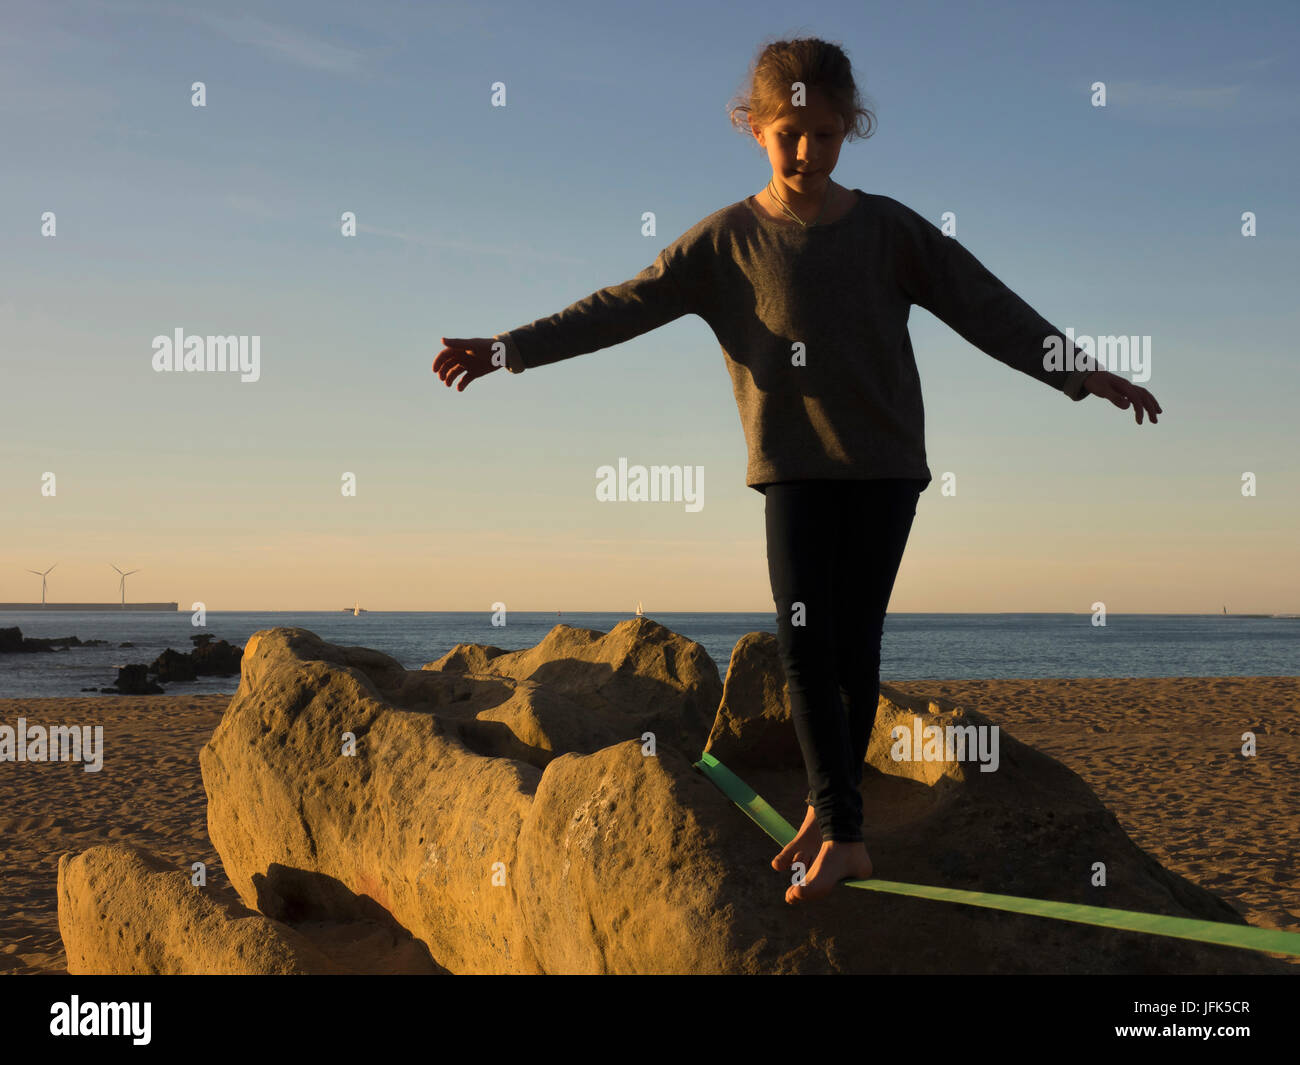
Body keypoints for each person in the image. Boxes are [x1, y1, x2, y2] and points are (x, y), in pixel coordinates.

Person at [432, 37, 1162, 905]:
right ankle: (840, 822)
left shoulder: (889, 229)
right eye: (790, 134)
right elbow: (619, 308)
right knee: (806, 647)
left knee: (853, 652)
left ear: (850, 126)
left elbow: (985, 304)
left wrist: (1077, 368)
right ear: (754, 129)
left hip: (887, 469)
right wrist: (509, 348)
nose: (809, 152)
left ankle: (835, 822)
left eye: (826, 134)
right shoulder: (727, 242)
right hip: (791, 470)